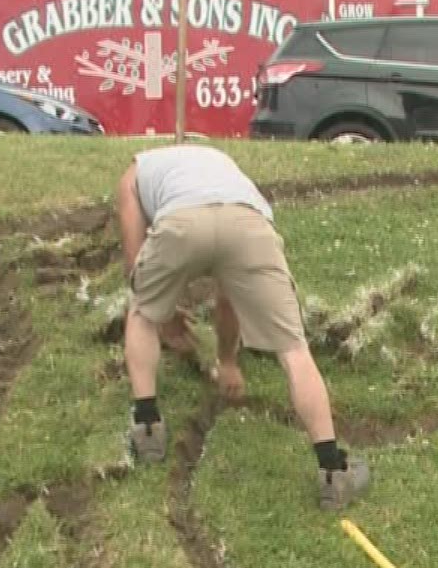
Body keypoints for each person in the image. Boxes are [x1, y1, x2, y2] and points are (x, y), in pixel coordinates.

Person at [114, 143, 370, 512]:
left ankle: (147, 425)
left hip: (180, 223)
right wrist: (226, 360)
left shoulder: (133, 177)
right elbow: (228, 297)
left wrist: (163, 315)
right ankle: (333, 469)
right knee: (294, 350)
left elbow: (135, 267)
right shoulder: (221, 165)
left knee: (140, 313)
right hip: (249, 226)